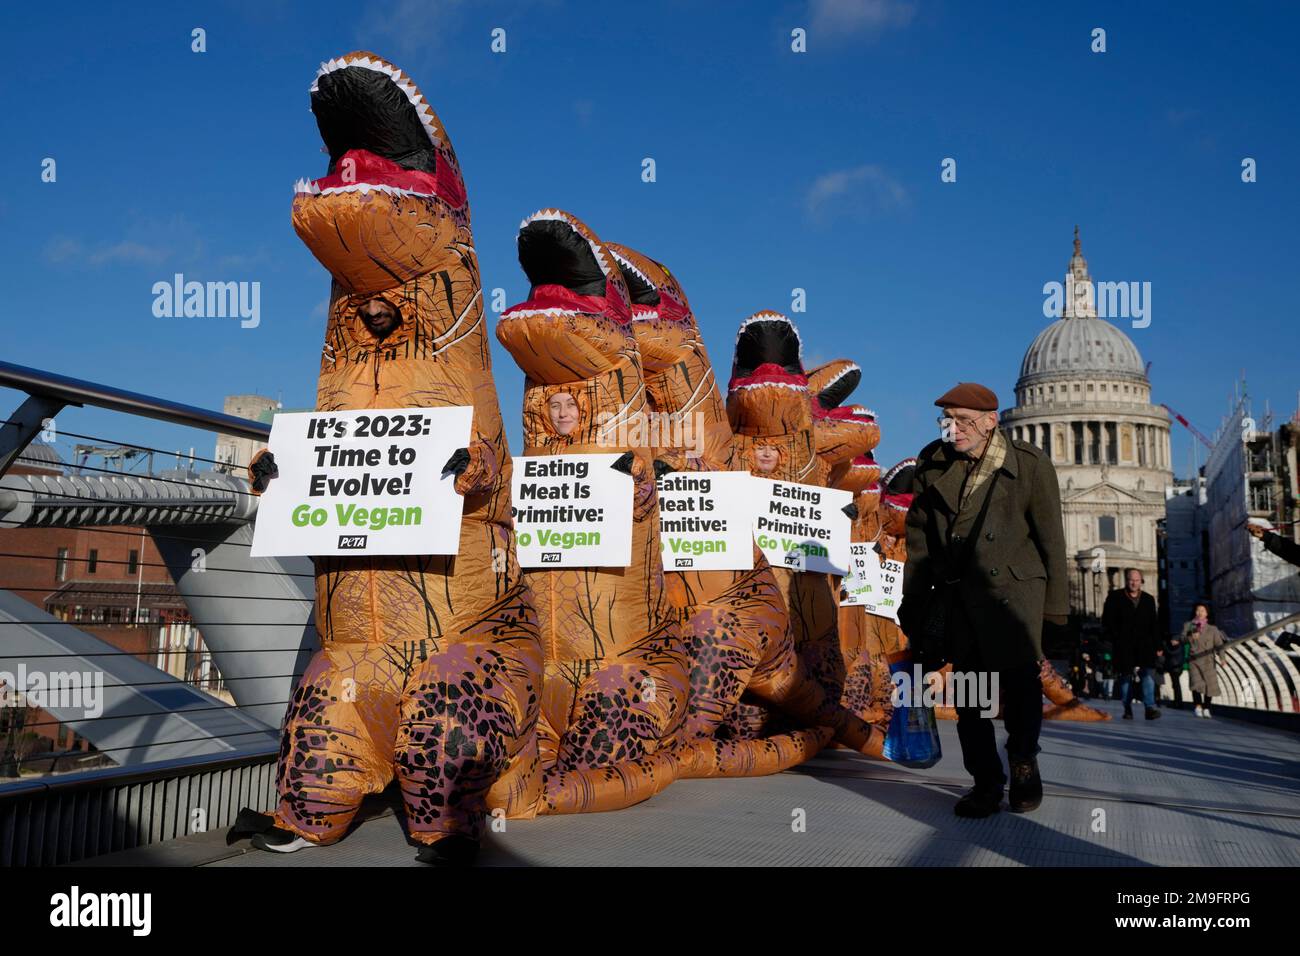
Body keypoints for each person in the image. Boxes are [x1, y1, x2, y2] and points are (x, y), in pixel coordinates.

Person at [900, 382, 1068, 818]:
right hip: (960, 597)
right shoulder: (932, 463)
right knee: (970, 694)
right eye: (948, 421)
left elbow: (1052, 541)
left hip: (1014, 598)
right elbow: (919, 543)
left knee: (1020, 689)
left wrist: (1055, 610)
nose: (954, 430)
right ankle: (986, 783)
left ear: (991, 421)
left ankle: (1024, 762)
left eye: (964, 421)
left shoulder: (1029, 466)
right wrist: (914, 599)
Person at [1102, 569, 1163, 720]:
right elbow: (1107, 621)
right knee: (1125, 676)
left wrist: (1158, 645)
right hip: (1123, 644)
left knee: (1147, 674)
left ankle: (1149, 708)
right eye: (1131, 580)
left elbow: (1154, 624)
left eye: (1136, 580)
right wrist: (1114, 639)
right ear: (1126, 580)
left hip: (1145, 644)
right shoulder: (1115, 597)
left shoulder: (1148, 599)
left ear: (1141, 581)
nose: (1134, 583)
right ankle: (1127, 707)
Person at [1184, 602, 1227, 718]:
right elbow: (1181, 638)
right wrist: (1190, 636)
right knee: (1196, 683)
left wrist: (1222, 658)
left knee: (1210, 684)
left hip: (1208, 660)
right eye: (1198, 610)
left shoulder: (1213, 629)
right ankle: (1198, 706)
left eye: (1202, 611)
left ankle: (1207, 707)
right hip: (1194, 660)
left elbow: (1219, 644)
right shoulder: (1189, 625)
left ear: (1207, 613)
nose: (1200, 613)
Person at [1164, 626, 1190, 709]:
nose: (1172, 641)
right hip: (1174, 668)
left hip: (1176, 669)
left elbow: (1172, 653)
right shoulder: (1177, 647)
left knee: (1176, 686)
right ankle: (1177, 702)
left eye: (1173, 640)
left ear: (1177, 641)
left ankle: (1178, 703)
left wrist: (1165, 647)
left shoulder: (1179, 647)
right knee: (1175, 685)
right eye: (1171, 640)